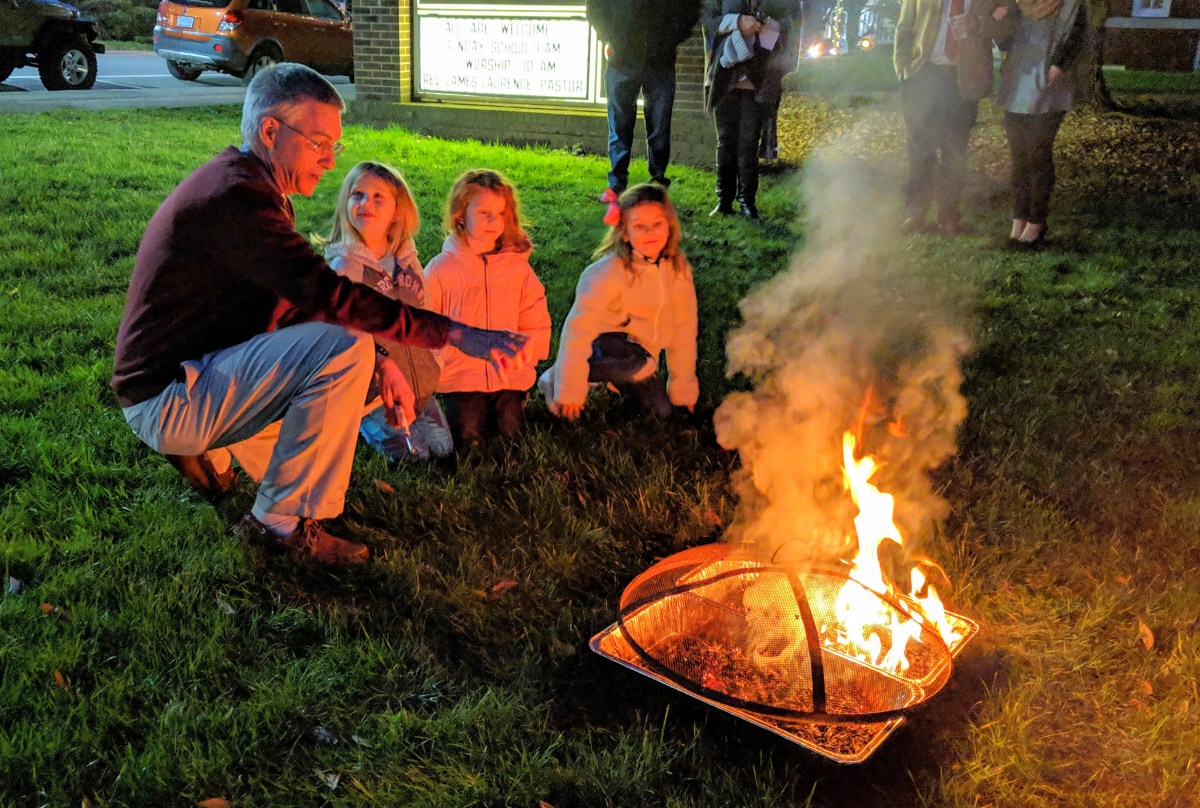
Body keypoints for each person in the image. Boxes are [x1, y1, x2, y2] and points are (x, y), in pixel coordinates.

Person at [111, 64, 524, 566]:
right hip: (170, 395)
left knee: (347, 348)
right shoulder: (236, 199)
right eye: (319, 142)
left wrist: (382, 361)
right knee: (341, 348)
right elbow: (329, 294)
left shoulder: (247, 185)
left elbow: (298, 306)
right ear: (270, 131)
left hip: (195, 371)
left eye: (336, 146)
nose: (330, 162)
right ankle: (278, 526)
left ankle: (226, 457)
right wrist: (451, 332)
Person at [320, 161, 454, 461]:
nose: (366, 203)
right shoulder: (345, 268)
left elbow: (424, 309)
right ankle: (357, 420)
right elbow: (342, 334)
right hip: (376, 393)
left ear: (397, 211)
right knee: (415, 459)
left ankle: (418, 408)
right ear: (346, 204)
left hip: (420, 382)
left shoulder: (406, 259)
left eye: (378, 196)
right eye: (358, 195)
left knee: (444, 452)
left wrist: (434, 360)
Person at [538, 184, 698, 420]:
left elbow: (684, 329)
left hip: (641, 357)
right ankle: (556, 377)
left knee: (661, 413)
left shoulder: (678, 271)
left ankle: (620, 378)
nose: (650, 233)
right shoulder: (606, 273)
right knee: (637, 365)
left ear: (669, 225)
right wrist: (569, 388)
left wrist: (682, 390)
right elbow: (578, 331)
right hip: (602, 344)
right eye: (639, 227)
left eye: (657, 225)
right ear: (624, 232)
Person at [423, 170, 552, 448]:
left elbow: (533, 314)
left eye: (500, 213)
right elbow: (427, 319)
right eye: (484, 213)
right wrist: (434, 367)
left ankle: (516, 403)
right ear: (461, 214)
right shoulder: (441, 269)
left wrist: (530, 352)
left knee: (512, 435)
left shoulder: (517, 267)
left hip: (508, 373)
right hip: (460, 375)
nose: (493, 221)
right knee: (467, 437)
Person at [586, 0, 703, 202]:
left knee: (658, 125)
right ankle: (618, 183)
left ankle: (654, 183)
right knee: (621, 124)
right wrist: (611, 37)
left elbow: (691, 7)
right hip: (624, 59)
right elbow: (595, 7)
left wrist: (671, 39)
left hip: (657, 60)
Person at [995, 0, 1089, 245]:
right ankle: (1019, 216)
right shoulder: (1019, 5)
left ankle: (1036, 222)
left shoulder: (1070, 5)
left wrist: (1057, 66)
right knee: (1019, 156)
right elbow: (1004, 42)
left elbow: (1077, 39)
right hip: (1017, 83)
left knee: (1038, 153)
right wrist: (1000, 20)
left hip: (1049, 86)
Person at [894, 0, 985, 236]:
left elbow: (1001, 29)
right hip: (923, 74)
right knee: (920, 148)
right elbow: (905, 27)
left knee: (954, 150)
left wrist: (978, 23)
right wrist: (903, 67)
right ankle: (916, 212)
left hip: (962, 78)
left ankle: (948, 216)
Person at [702, 0, 793, 220]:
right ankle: (724, 200)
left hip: (759, 77)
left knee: (749, 142)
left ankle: (746, 201)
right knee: (725, 140)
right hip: (726, 75)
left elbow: (789, 22)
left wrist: (767, 32)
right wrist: (737, 22)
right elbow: (708, 19)